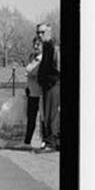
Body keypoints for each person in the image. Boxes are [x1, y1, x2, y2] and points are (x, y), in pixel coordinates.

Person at [36, 22, 60, 151]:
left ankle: (52, 142)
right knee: (46, 114)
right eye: (38, 32)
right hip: (46, 85)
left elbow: (57, 67)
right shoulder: (45, 46)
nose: (40, 35)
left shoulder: (53, 46)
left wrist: (50, 81)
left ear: (49, 32)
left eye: (42, 32)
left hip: (53, 84)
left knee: (52, 114)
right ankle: (48, 141)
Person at [23, 36, 42, 146]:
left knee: (43, 119)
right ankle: (27, 141)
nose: (35, 46)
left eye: (38, 44)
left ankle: (46, 142)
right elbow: (28, 73)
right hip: (31, 91)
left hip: (41, 92)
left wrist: (31, 74)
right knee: (31, 117)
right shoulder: (32, 56)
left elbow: (33, 72)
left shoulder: (44, 58)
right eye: (34, 44)